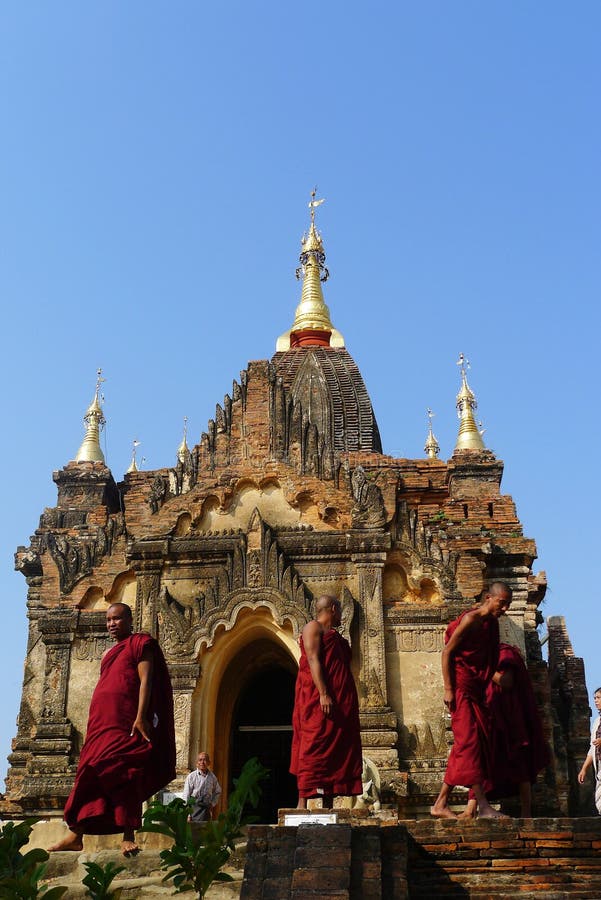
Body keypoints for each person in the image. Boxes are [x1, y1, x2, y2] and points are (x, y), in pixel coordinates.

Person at [49, 602, 176, 855]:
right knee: (89, 771)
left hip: (126, 721)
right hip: (101, 723)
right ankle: (76, 833)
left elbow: (145, 682)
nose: (111, 624)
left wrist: (141, 717)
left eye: (117, 619)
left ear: (130, 620)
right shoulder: (108, 654)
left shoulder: (140, 644)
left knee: (125, 771)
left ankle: (128, 835)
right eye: (108, 620)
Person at [430, 582, 512, 819]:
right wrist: (448, 688)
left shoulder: (492, 624)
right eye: (502, 602)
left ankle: (440, 802)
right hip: (461, 688)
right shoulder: (471, 620)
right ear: (489, 597)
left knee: (465, 745)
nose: (505, 608)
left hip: (475, 689)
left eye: (508, 604)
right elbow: (447, 652)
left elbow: (489, 658)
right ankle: (484, 806)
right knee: (470, 743)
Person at [461, 642, 550, 818]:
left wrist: (483, 668)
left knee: (519, 761)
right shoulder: (481, 656)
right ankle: (470, 808)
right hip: (489, 714)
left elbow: (506, 682)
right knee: (481, 759)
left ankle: (526, 812)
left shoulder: (505, 653)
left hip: (510, 716)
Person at [290, 594, 362, 808]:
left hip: (340, 704)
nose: (341, 615)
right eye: (339, 610)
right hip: (318, 700)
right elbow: (313, 658)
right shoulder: (313, 628)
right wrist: (323, 693)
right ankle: (302, 803)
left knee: (337, 748)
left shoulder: (337, 638)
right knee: (313, 744)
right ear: (332, 609)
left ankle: (328, 802)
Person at [578, 687, 601, 814]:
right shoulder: (597, 722)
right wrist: (584, 768)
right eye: (595, 698)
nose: (596, 701)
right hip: (599, 768)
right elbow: (592, 748)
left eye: (598, 698)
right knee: (599, 803)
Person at [182, 751, 222, 822]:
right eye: (200, 760)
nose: (202, 762)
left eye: (205, 760)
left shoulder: (212, 777)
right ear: (197, 763)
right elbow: (186, 796)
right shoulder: (191, 777)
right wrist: (188, 815)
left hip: (206, 810)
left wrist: (212, 804)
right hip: (193, 810)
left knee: (205, 831)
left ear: (209, 763)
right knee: (194, 832)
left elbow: (218, 791)